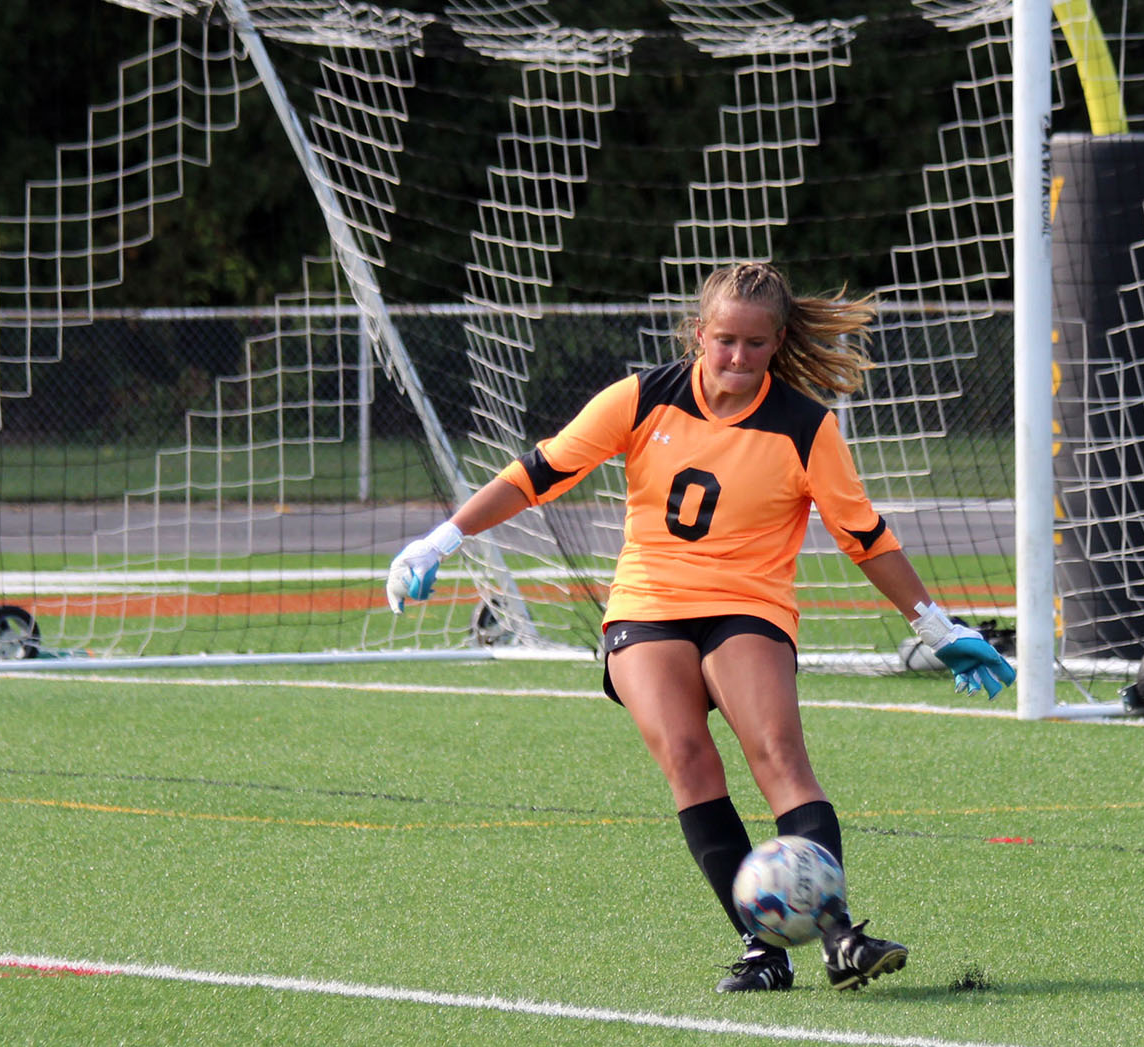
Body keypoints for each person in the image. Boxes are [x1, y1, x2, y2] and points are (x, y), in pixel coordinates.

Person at [386, 261, 1016, 992]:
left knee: (777, 754)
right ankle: (762, 950)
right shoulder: (641, 398)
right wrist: (441, 541)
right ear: (698, 334)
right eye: (724, 342)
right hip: (647, 606)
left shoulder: (806, 426)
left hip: (748, 604)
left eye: (755, 344)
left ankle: (840, 939)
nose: (738, 358)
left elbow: (864, 536)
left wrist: (936, 625)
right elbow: (539, 472)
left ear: (778, 341)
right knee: (689, 760)